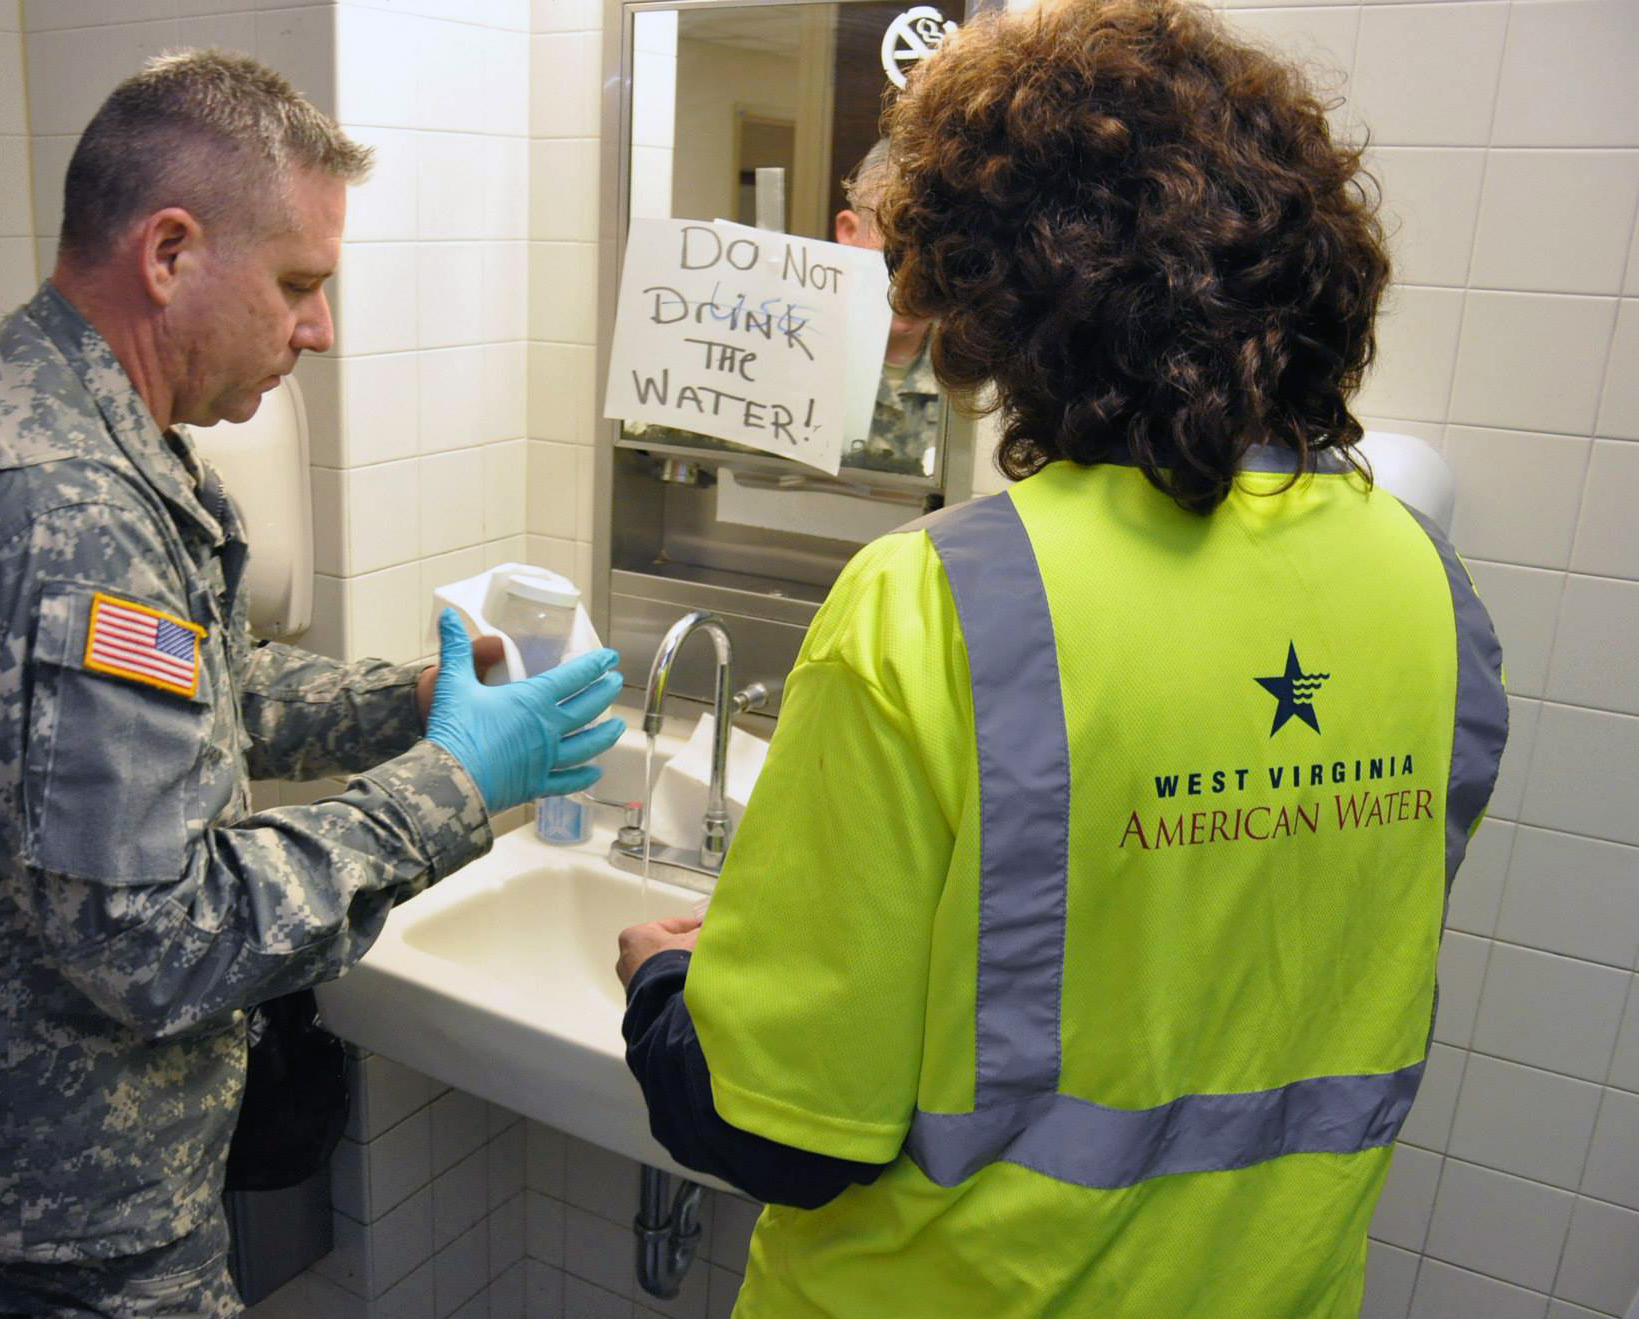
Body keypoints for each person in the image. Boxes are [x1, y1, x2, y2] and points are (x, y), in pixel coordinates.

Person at [617, 3, 1507, 1316]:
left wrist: (663, 981)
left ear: (1005, 285)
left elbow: (779, 1133)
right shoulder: (1427, 592)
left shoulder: (934, 606)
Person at [0, 51, 624, 1318]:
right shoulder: (59, 509)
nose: (320, 329)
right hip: (59, 1189)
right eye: (298, 283)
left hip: (0, 1137)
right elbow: (154, 940)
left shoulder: (69, 424)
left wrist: (405, 699)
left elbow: (195, 685)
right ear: (169, 252)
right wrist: (453, 781)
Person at [832, 140, 943, 478]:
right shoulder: (798, 358)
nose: (910, 269)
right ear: (850, 231)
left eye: (933, 243)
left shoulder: (975, 378)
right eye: (896, 237)